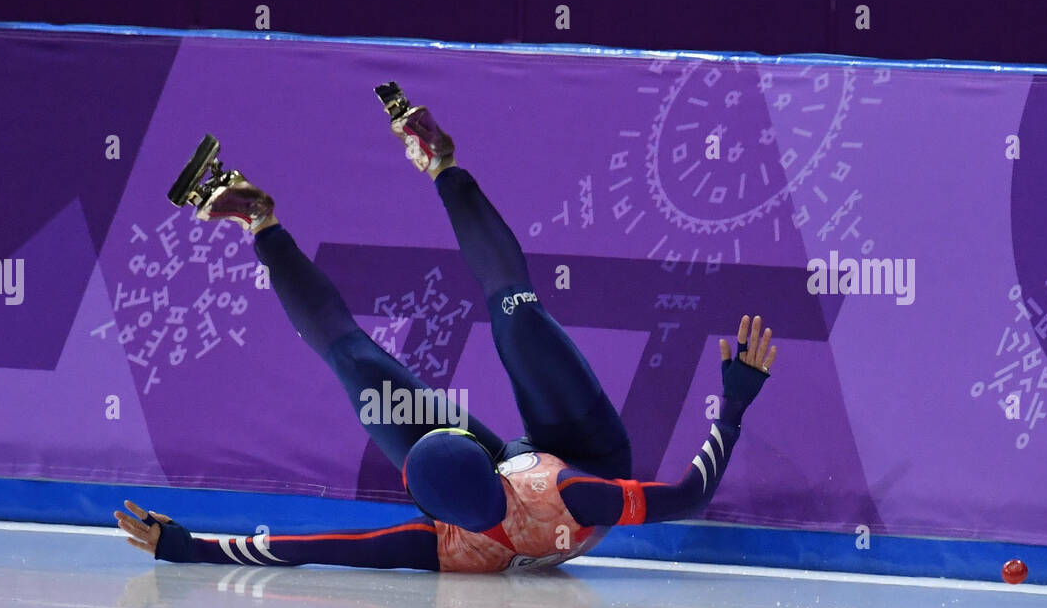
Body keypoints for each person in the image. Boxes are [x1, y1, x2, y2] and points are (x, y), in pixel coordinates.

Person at [115, 83, 776, 573]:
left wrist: (192, 548)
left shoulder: (445, 541)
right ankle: (306, 204)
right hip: (588, 454)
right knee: (484, 321)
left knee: (427, 343)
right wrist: (735, 408)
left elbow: (318, 549)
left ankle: (347, 196)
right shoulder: (576, 497)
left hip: (566, 460)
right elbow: (688, 495)